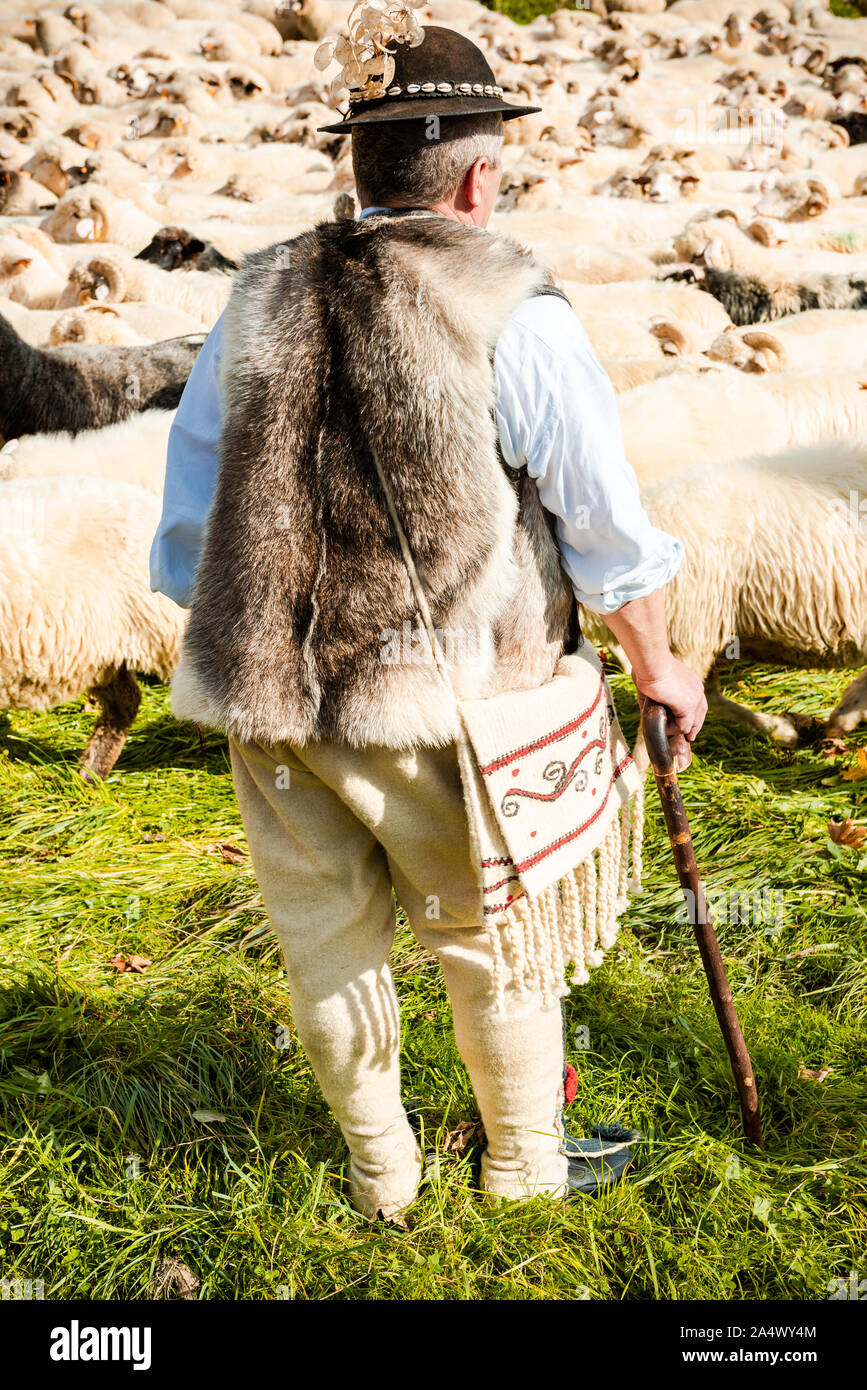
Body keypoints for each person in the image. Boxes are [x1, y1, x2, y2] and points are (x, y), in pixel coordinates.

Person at [150, 18, 707, 1220]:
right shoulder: (514, 310)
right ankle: (523, 1168)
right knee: (484, 934)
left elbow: (191, 521)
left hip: (277, 705)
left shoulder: (255, 299)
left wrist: (261, 640)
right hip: (449, 703)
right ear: (477, 171)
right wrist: (663, 665)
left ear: (360, 164)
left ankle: (380, 1174)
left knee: (325, 941)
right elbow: (603, 523)